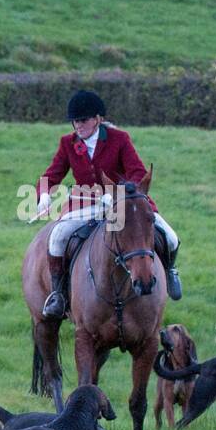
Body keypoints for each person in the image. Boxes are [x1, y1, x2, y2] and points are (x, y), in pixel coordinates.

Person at [35, 89, 182, 319]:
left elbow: (137, 172)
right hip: (86, 204)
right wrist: (44, 194)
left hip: (124, 203)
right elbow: (51, 175)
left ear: (98, 119)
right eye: (74, 121)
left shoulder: (119, 139)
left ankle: (169, 273)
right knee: (57, 238)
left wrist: (118, 193)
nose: (77, 126)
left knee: (170, 237)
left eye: (83, 120)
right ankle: (58, 295)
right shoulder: (68, 143)